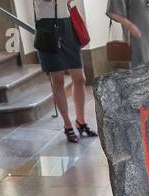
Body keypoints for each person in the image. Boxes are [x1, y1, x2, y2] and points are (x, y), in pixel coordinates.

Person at [34, 0, 97, 143]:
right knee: (58, 79)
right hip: (48, 26)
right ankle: (67, 124)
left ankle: (80, 121)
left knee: (80, 78)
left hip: (67, 24)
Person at [107, 0, 149, 67]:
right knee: (139, 69)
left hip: (146, 35)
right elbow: (113, 12)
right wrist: (131, 27)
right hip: (135, 38)